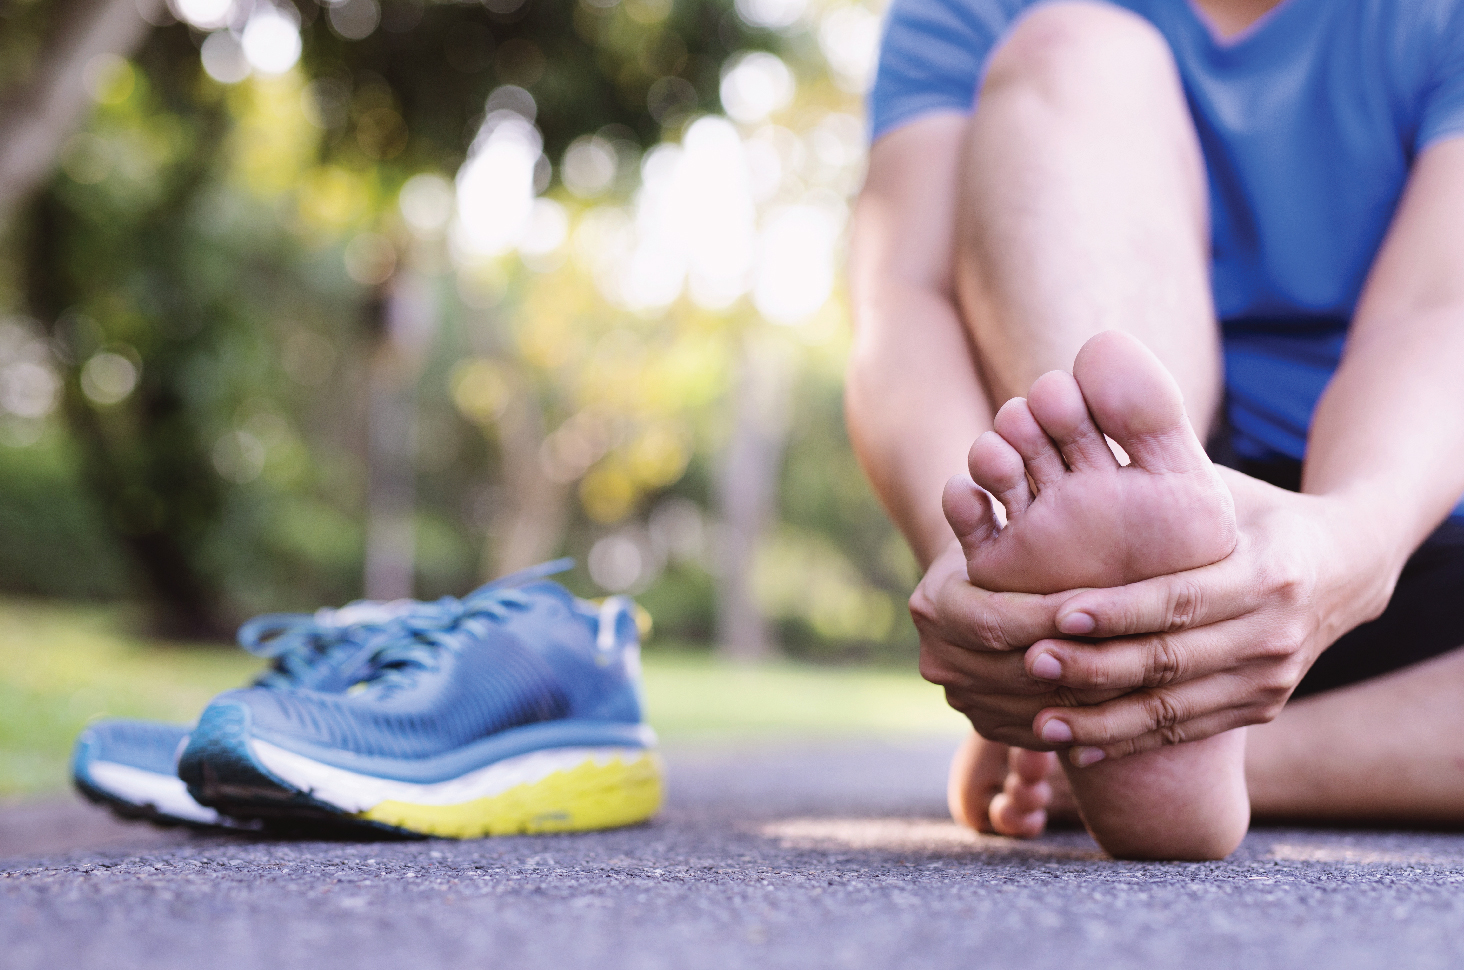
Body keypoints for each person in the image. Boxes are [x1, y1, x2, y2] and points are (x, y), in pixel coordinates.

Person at [844, 0, 1464, 859]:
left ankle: (1130, 735)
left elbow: (1437, 309)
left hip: (1399, 523)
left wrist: (1350, 539)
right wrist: (980, 573)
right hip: (1131, 537)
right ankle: (1125, 512)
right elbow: (902, 304)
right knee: (1074, 50)